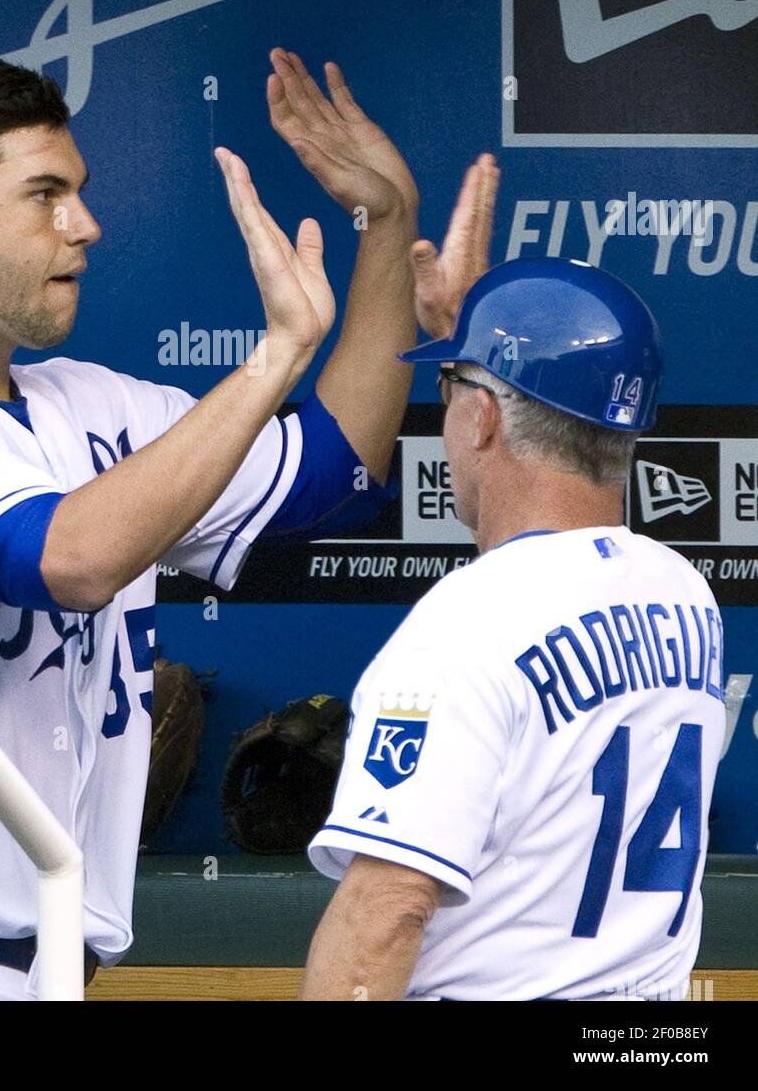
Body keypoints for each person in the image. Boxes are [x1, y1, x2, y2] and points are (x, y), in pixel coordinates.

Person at [0, 49, 498, 1000]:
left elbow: (337, 470)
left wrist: (385, 224)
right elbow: (75, 558)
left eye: (78, 191)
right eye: (45, 195)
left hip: (50, 971)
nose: (86, 225)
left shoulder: (90, 407)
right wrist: (273, 359)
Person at [302, 257, 727, 1002]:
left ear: (485, 417)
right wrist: (484, 351)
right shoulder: (683, 591)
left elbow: (389, 910)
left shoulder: (466, 625)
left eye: (449, 390)